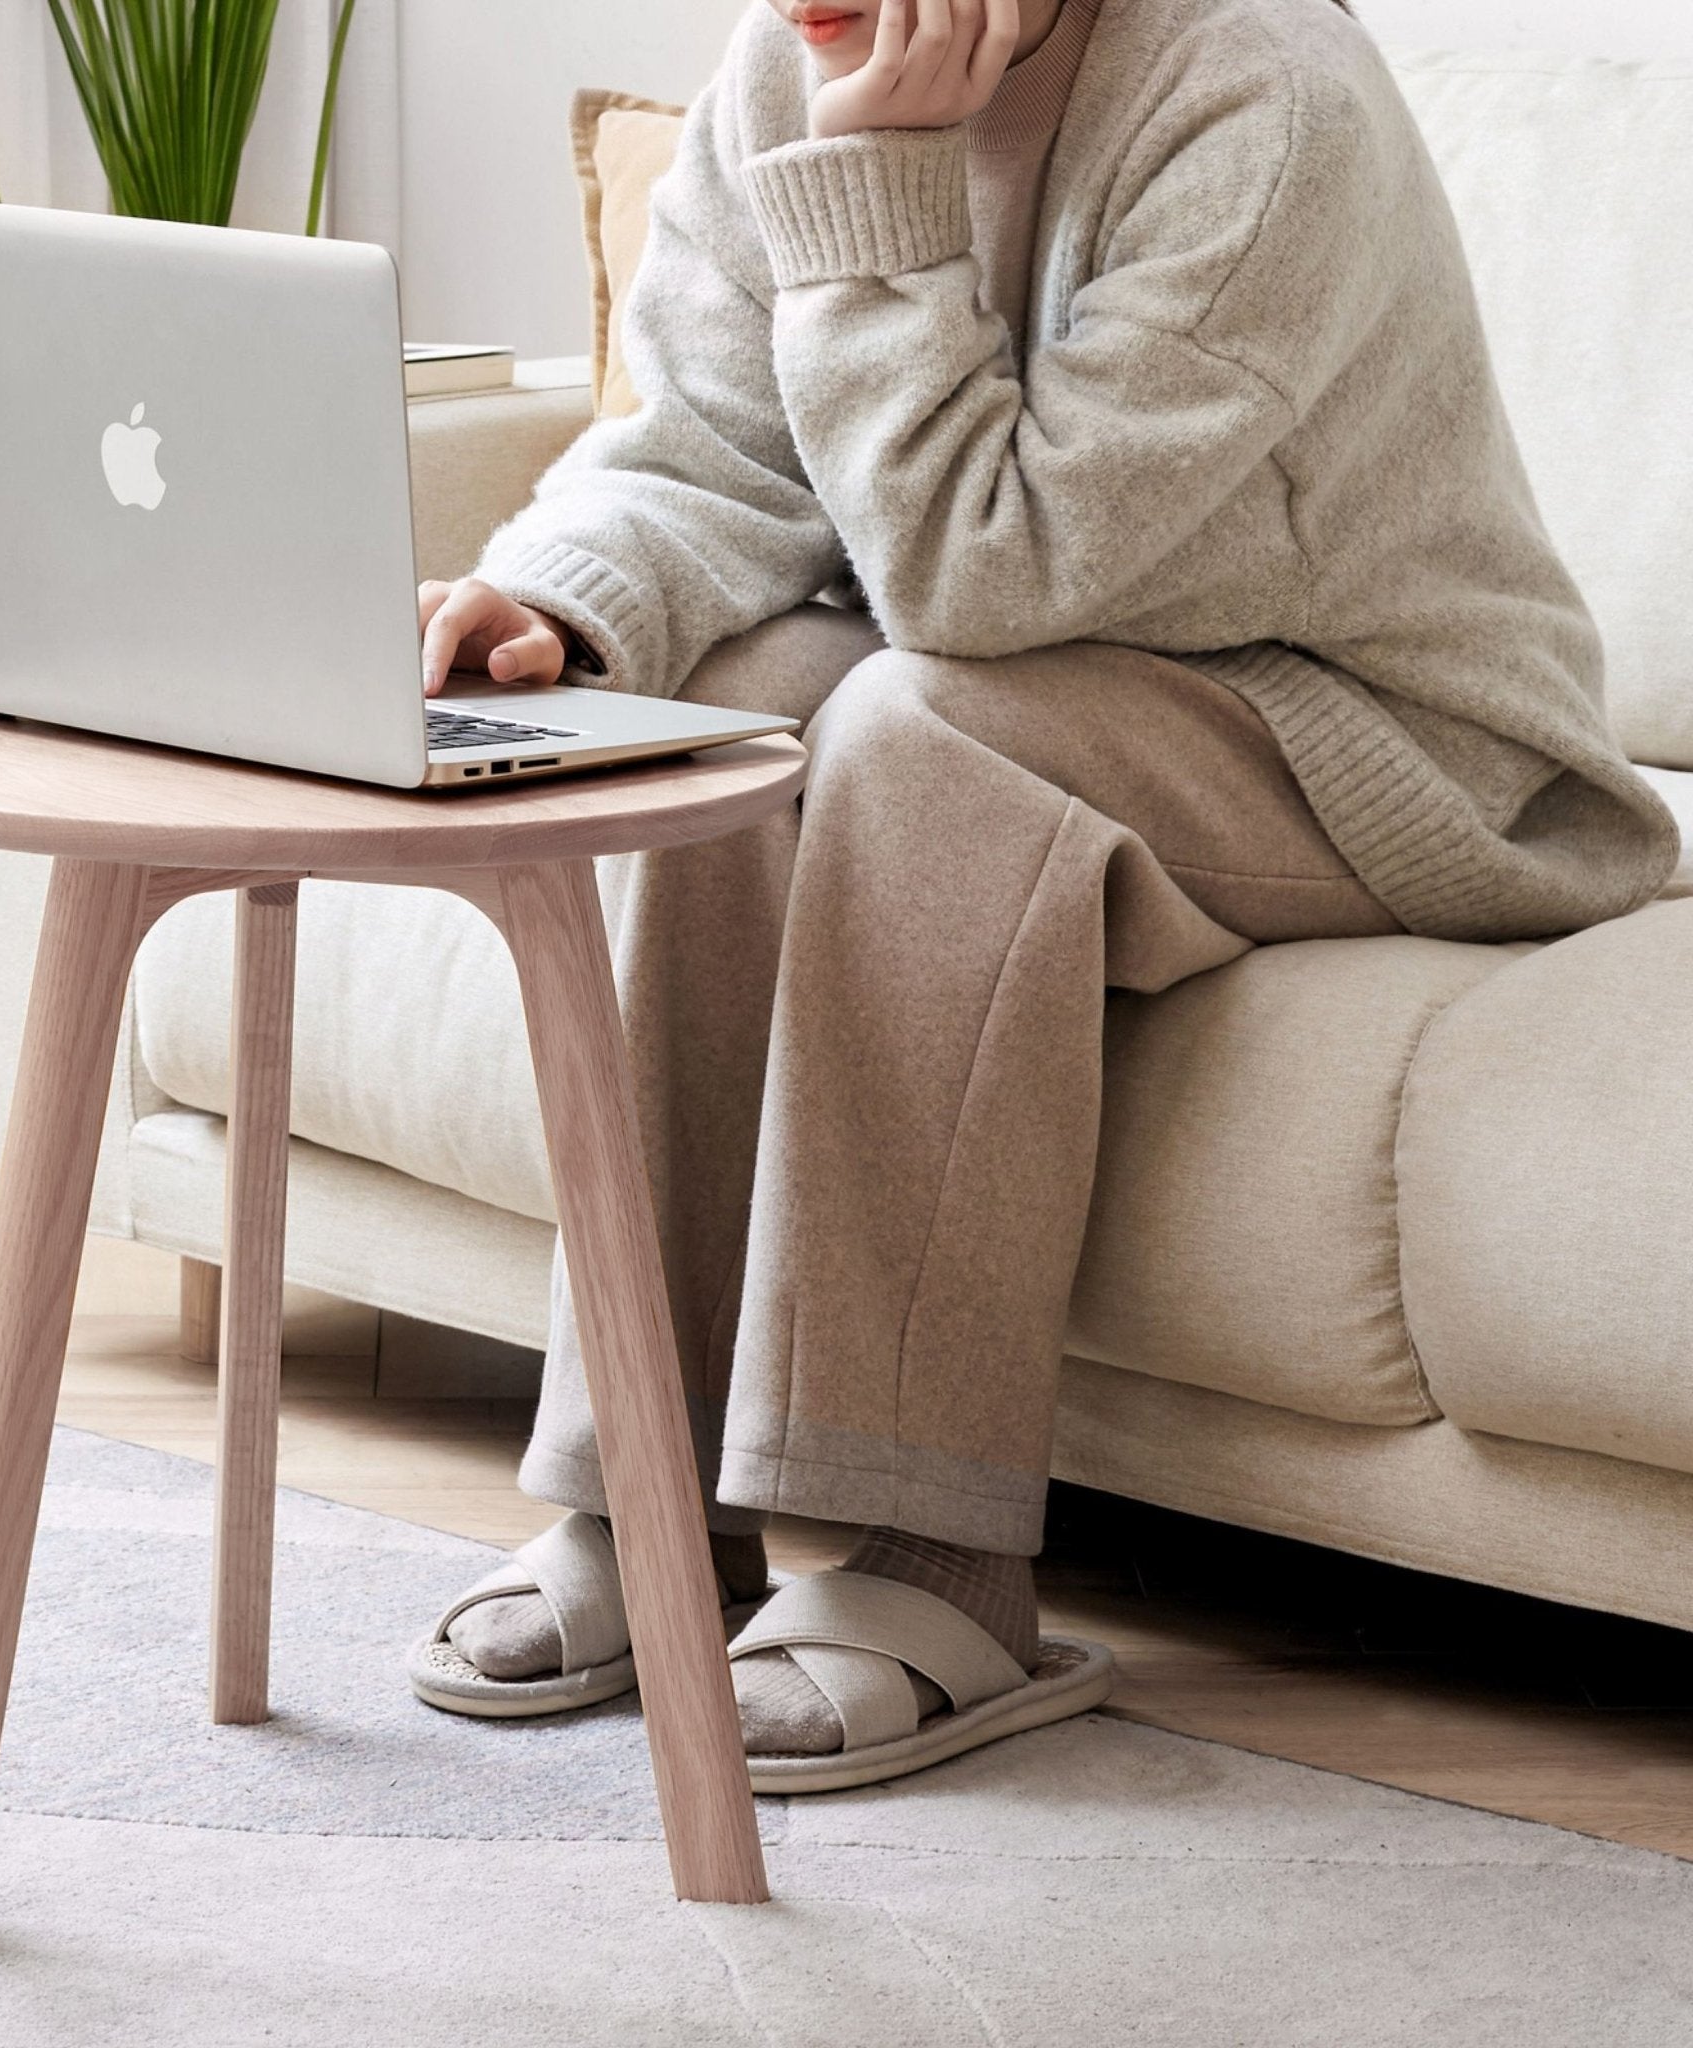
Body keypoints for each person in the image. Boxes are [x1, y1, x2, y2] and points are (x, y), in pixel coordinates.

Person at [403, 0, 1680, 1789]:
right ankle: (650, 1495)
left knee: (922, 734)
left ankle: (940, 1563)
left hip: (1377, 729)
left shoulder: (1262, 101)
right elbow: (706, 446)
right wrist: (563, 592)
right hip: (1069, 679)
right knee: (731, 723)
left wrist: (878, 181)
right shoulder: (792, 61)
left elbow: (982, 572)